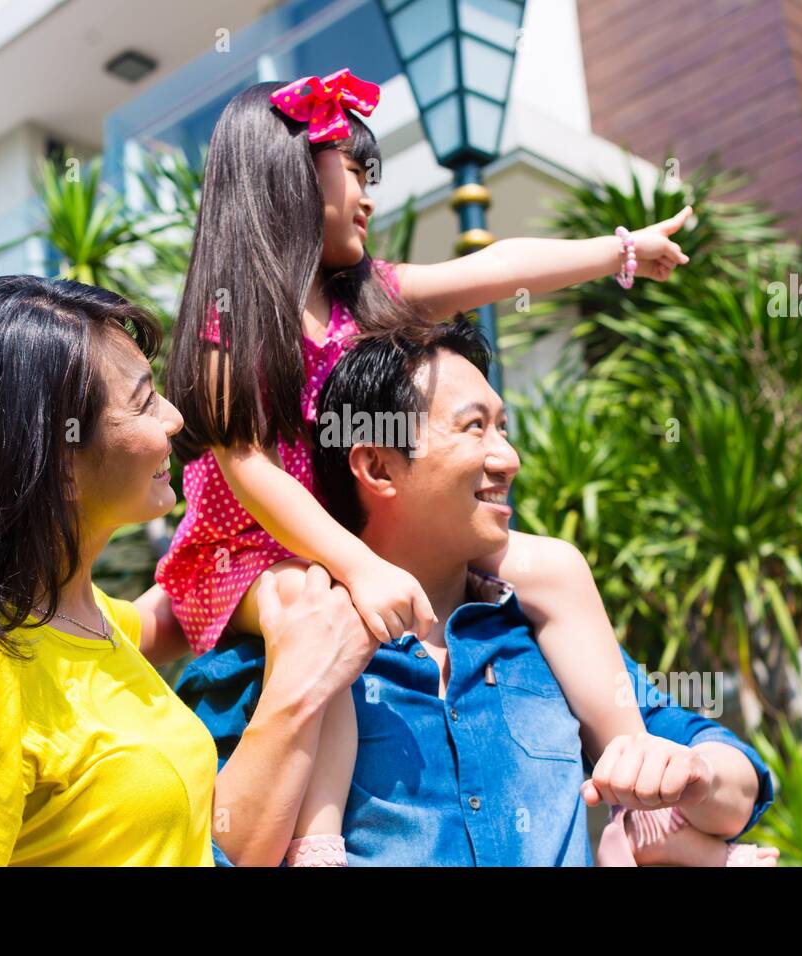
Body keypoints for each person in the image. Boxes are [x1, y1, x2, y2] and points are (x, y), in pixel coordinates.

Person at [156, 67, 698, 865]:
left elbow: (496, 269)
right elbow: (251, 471)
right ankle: (320, 838)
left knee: (552, 564)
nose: (371, 197)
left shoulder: (368, 297)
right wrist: (357, 564)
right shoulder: (230, 322)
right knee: (320, 614)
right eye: (356, 174)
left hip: (341, 543)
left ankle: (639, 800)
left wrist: (617, 252)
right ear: (288, 178)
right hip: (251, 557)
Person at [0, 275, 368, 865]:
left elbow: (186, 606)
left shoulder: (94, 623)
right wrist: (298, 686)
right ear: (58, 463)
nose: (175, 419)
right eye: (144, 400)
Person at [177, 318, 778, 866]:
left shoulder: (546, 633)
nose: (509, 458)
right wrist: (295, 697)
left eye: (504, 429)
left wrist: (695, 774)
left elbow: (727, 772)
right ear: (379, 467)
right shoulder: (276, 659)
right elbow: (211, 850)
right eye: (475, 429)